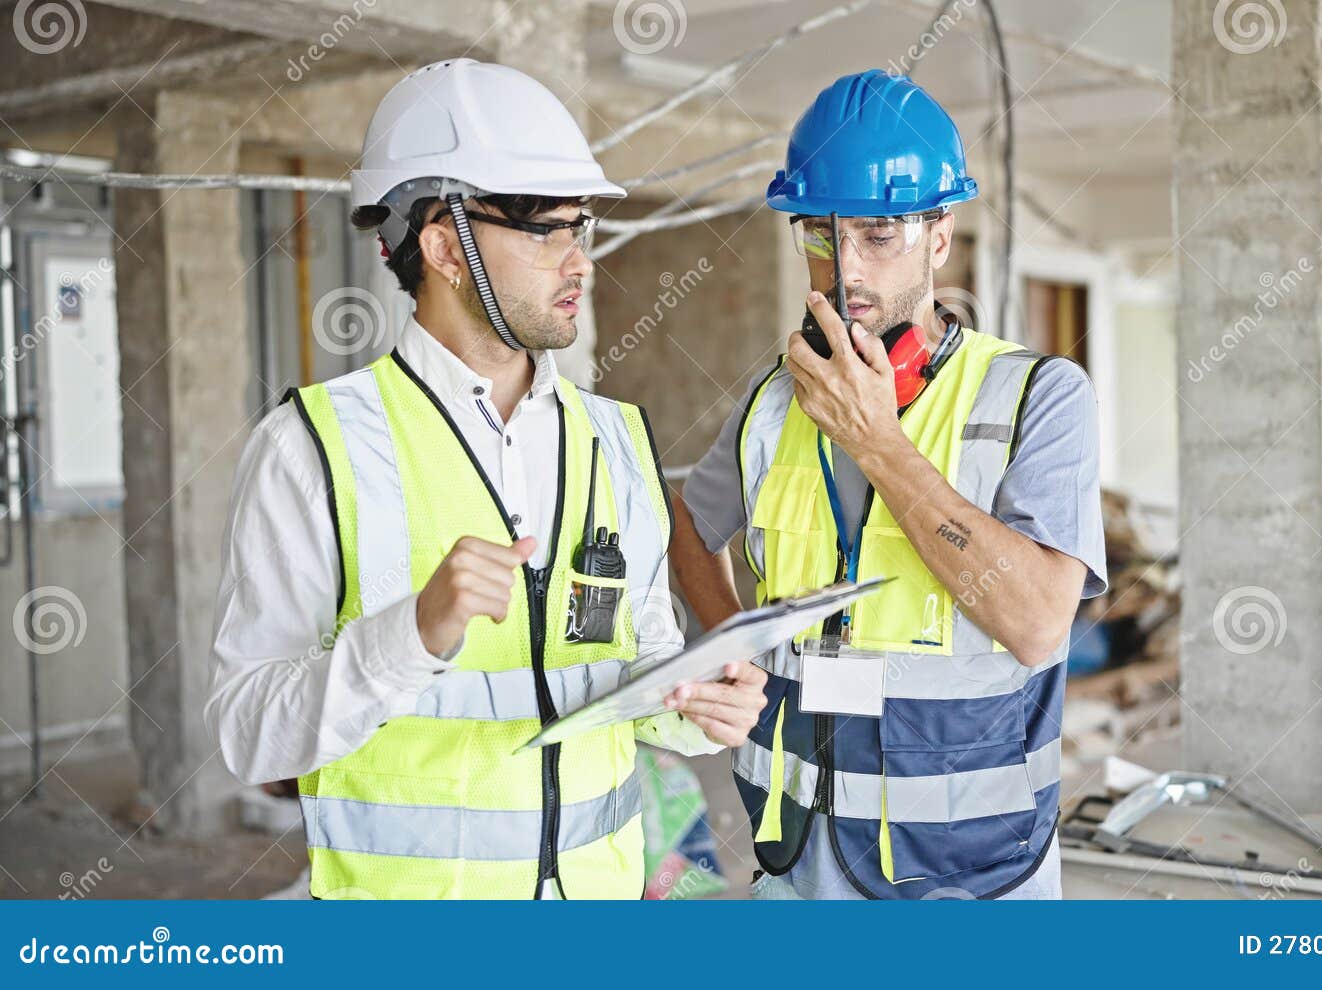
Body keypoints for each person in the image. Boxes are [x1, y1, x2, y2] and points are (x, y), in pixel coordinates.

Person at [206, 59, 766, 900]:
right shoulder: (312, 448)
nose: (578, 261)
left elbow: (637, 671)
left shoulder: (615, 438)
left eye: (581, 229)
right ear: (443, 245)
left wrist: (695, 713)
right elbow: (251, 738)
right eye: (546, 230)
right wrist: (413, 634)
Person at [669, 69, 1107, 900]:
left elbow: (1040, 624)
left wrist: (879, 442)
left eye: (880, 236)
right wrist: (734, 647)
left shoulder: (1038, 398)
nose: (847, 273)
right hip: (793, 847)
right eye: (823, 237)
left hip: (969, 869)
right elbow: (688, 521)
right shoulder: (777, 396)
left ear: (940, 236)